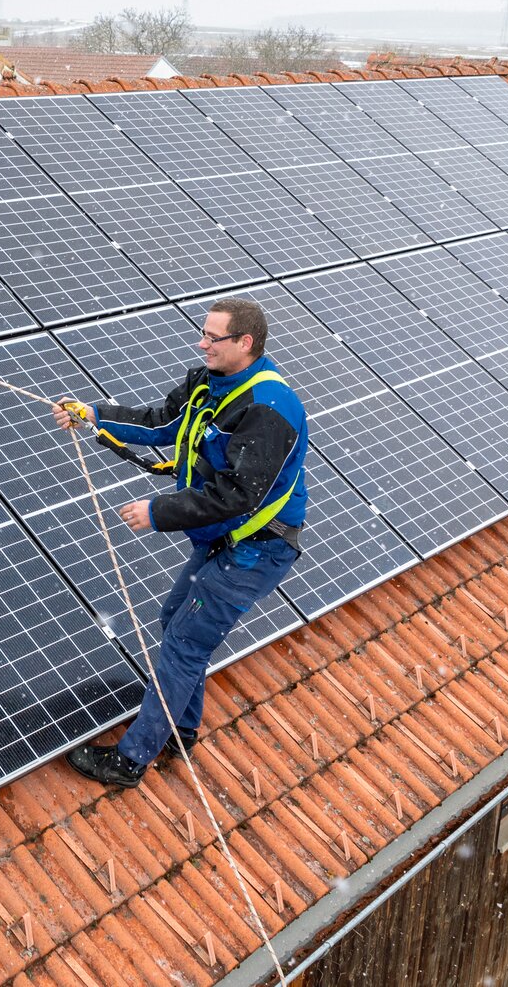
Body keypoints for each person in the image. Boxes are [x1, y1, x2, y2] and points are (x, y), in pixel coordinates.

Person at [52, 297, 308, 788]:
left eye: (214, 337)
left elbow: (238, 495)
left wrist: (158, 511)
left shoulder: (269, 409)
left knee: (185, 642)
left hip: (257, 548)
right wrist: (93, 414)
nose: (202, 343)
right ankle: (180, 729)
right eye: (204, 333)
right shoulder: (205, 383)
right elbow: (160, 425)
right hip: (224, 538)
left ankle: (130, 761)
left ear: (245, 343)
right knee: (175, 624)